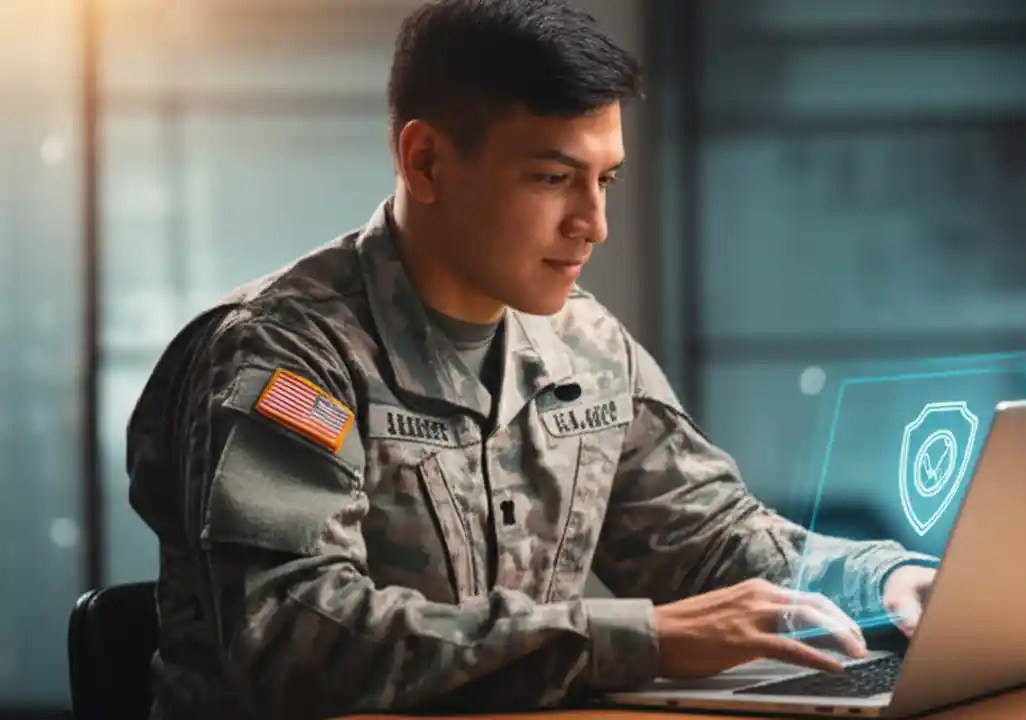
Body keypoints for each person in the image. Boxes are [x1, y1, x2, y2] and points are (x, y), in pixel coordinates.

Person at [127, 1, 939, 718]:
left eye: (606, 180)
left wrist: (882, 582)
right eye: (554, 177)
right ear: (427, 163)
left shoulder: (585, 344)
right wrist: (637, 639)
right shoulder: (288, 350)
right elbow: (297, 636)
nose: (594, 223)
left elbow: (710, 538)